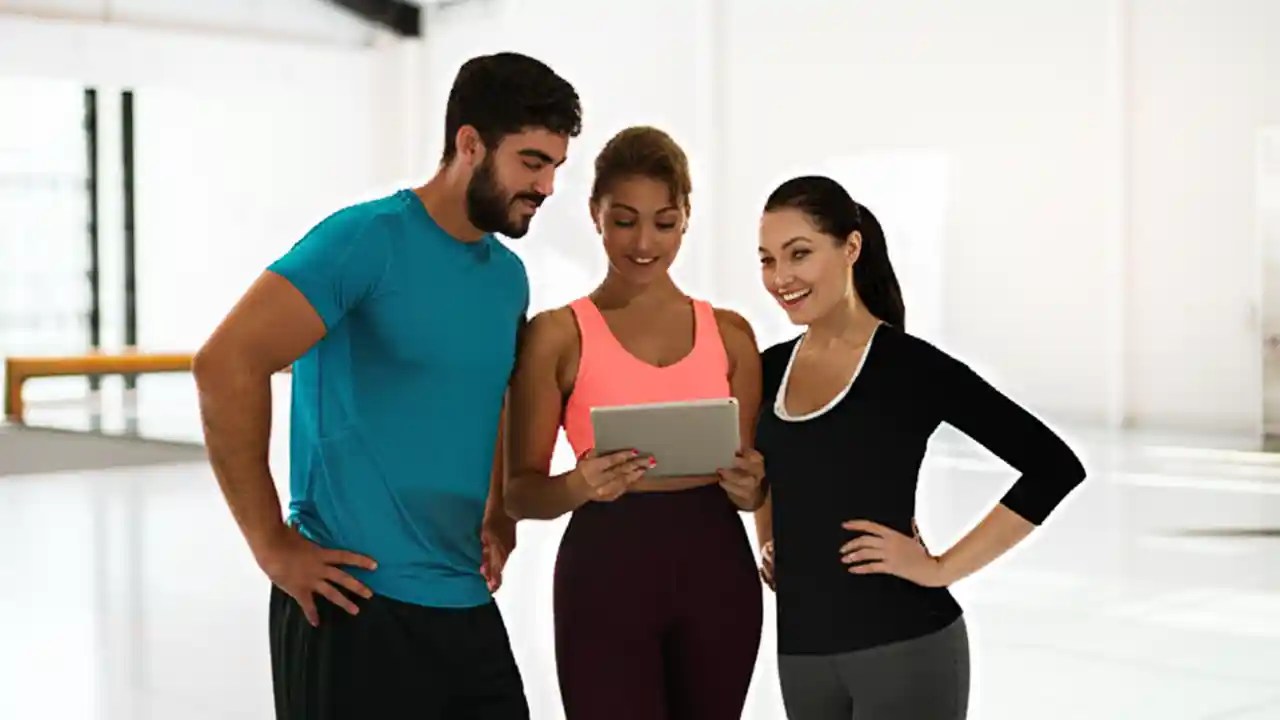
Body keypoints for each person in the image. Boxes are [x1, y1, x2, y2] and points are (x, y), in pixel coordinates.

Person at [192, 52, 582, 719]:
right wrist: (272, 546)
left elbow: (486, 399)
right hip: (352, 601)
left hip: (461, 600)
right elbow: (227, 363)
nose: (546, 186)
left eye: (555, 167)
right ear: (469, 144)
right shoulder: (365, 240)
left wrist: (497, 513)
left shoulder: (506, 279)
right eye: (532, 162)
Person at [752, 175, 1087, 720]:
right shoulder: (767, 369)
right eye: (767, 260)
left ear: (851, 248)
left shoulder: (910, 368)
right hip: (802, 653)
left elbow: (1053, 467)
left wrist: (940, 568)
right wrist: (769, 537)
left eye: (800, 254)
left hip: (904, 648)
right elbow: (761, 467)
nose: (780, 277)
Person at [504, 126, 767, 719]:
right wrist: (579, 485)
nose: (644, 241)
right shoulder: (556, 335)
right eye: (624, 220)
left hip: (716, 570)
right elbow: (520, 492)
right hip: (606, 570)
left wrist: (754, 489)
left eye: (664, 222)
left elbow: (753, 482)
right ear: (595, 214)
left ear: (686, 218)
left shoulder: (732, 336)